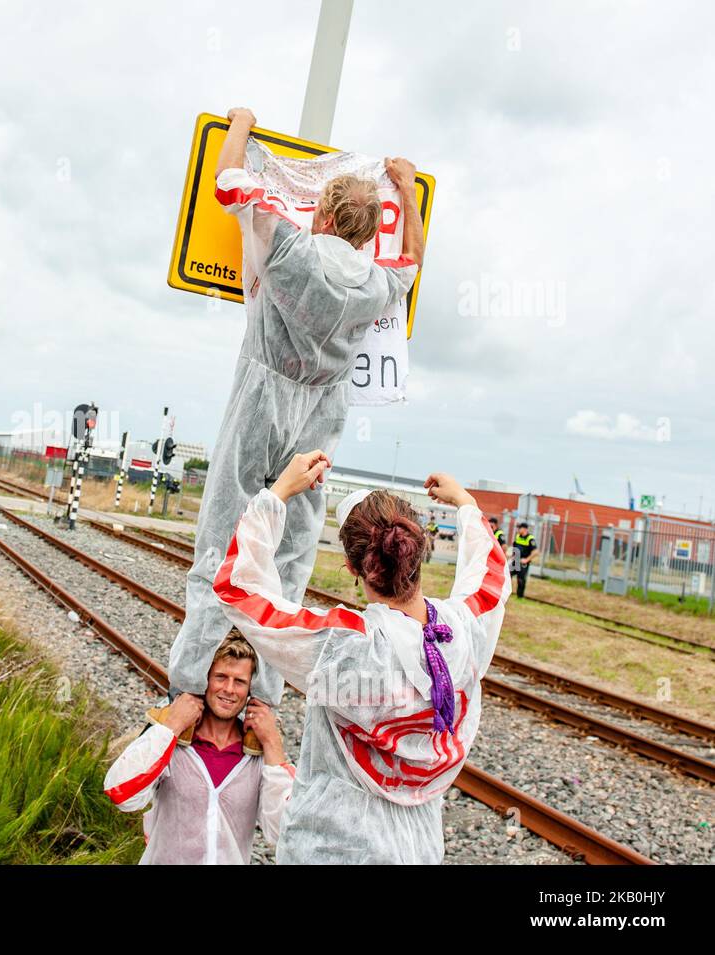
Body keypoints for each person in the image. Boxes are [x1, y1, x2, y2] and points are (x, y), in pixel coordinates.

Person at [168, 107, 424, 710]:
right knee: (290, 554)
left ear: (326, 216)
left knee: (224, 541)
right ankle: (262, 694)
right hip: (320, 417)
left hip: (263, 395)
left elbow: (228, 183)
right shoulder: (377, 285)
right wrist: (407, 192)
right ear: (368, 231)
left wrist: (240, 125)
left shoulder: (289, 249)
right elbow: (412, 260)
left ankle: (189, 684)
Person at [212, 451, 510, 863]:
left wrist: (278, 493)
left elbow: (239, 589)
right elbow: (490, 575)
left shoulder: (344, 647)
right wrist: (466, 506)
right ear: (419, 551)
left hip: (334, 848)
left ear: (353, 566)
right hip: (417, 851)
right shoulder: (464, 631)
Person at [103, 634, 294, 865]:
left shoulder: (257, 757)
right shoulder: (173, 743)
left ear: (250, 690)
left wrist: (273, 744)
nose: (229, 689)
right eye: (221, 677)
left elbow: (284, 834)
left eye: (239, 681)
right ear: (205, 680)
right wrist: (171, 726)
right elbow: (121, 794)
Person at [512, 522, 538, 598]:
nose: (518, 529)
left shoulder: (530, 538)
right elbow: (515, 546)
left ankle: (520, 596)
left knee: (520, 579)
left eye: (519, 528)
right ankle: (505, 592)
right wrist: (513, 555)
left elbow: (536, 552)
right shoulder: (517, 536)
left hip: (523, 563)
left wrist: (527, 560)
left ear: (524, 529)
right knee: (507, 574)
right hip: (516, 561)